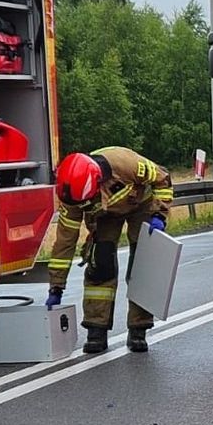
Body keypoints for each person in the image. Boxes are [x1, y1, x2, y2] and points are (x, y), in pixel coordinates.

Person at [48, 148, 174, 354]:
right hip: (104, 215)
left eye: (84, 203)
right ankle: (96, 330)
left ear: (97, 182)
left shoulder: (127, 164)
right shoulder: (71, 196)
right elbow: (64, 242)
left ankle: (138, 330)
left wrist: (159, 214)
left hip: (141, 204)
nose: (81, 206)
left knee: (142, 266)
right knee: (100, 264)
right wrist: (56, 286)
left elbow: (163, 178)